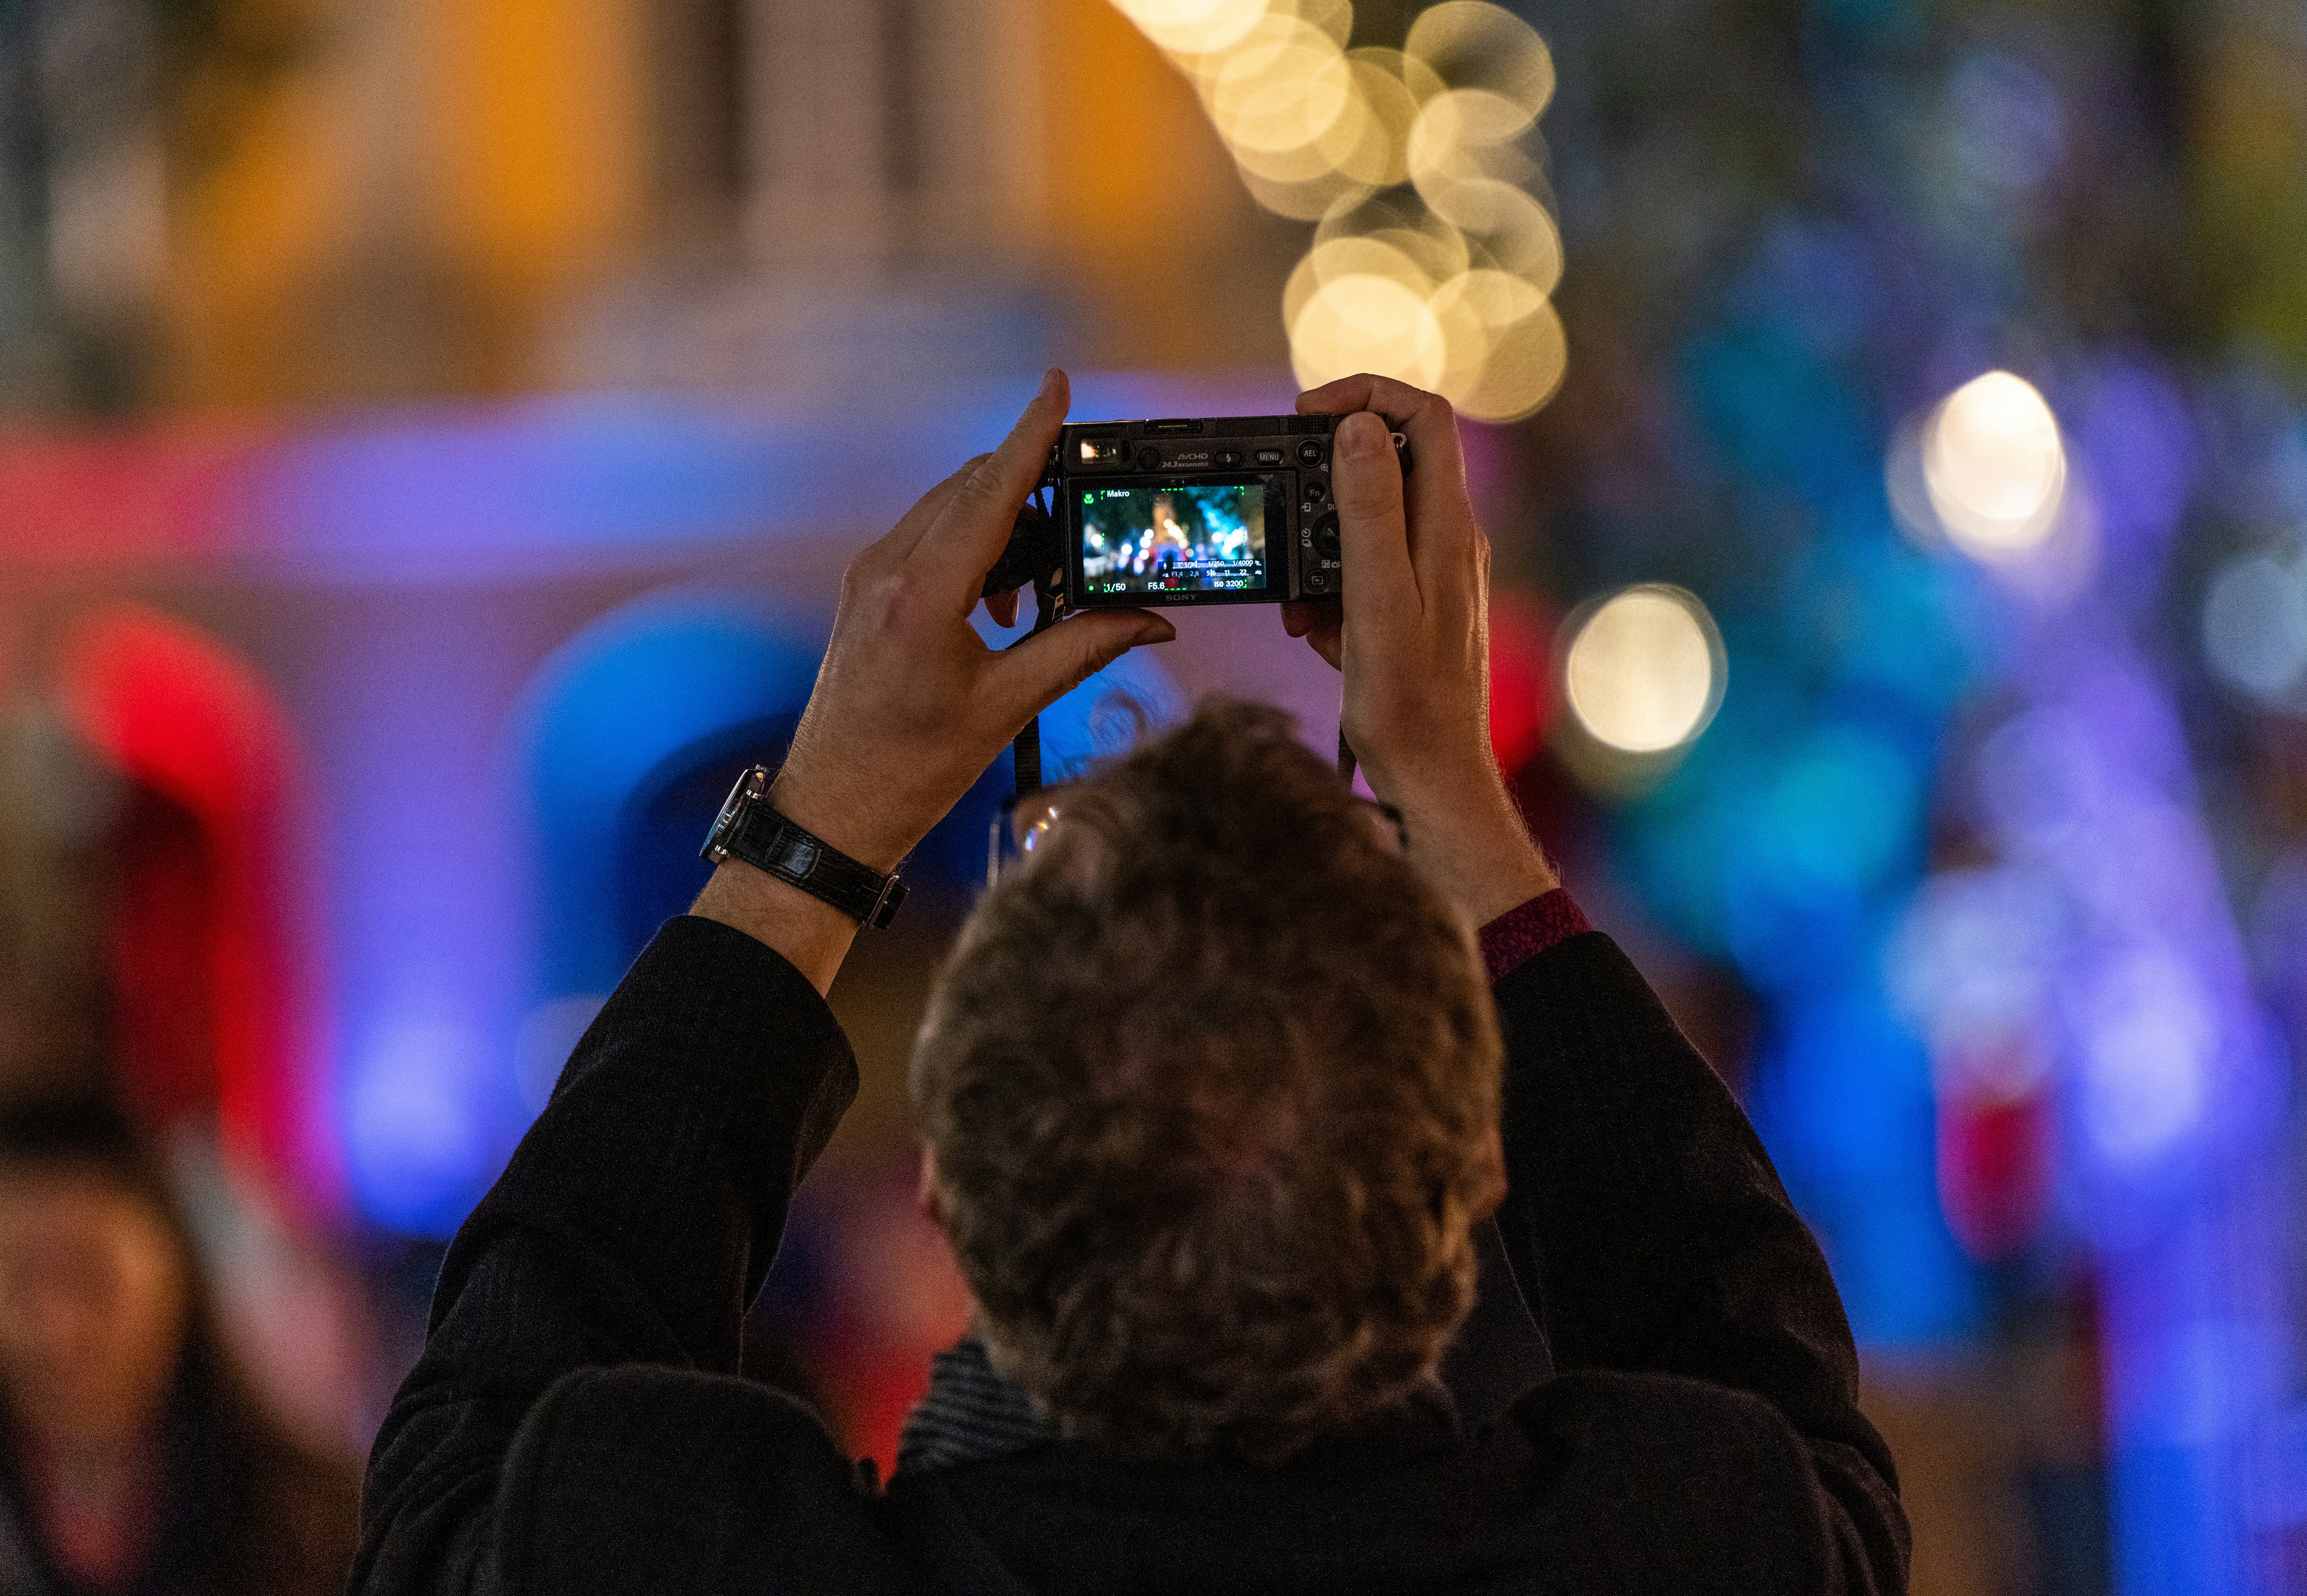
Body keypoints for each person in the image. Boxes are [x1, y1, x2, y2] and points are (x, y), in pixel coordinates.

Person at [349, 371, 1909, 1593]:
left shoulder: (674, 1557)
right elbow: (1749, 1351)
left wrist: (817, 829)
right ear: (1475, 1171)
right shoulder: (1697, 1544)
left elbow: (478, 1433)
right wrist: (1455, 795)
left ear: (947, 1196)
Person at [0, 1094, 358, 1596]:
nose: (57, 1329)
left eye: (90, 1278)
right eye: (20, 1283)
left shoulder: (313, 1527)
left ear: (177, 1272)